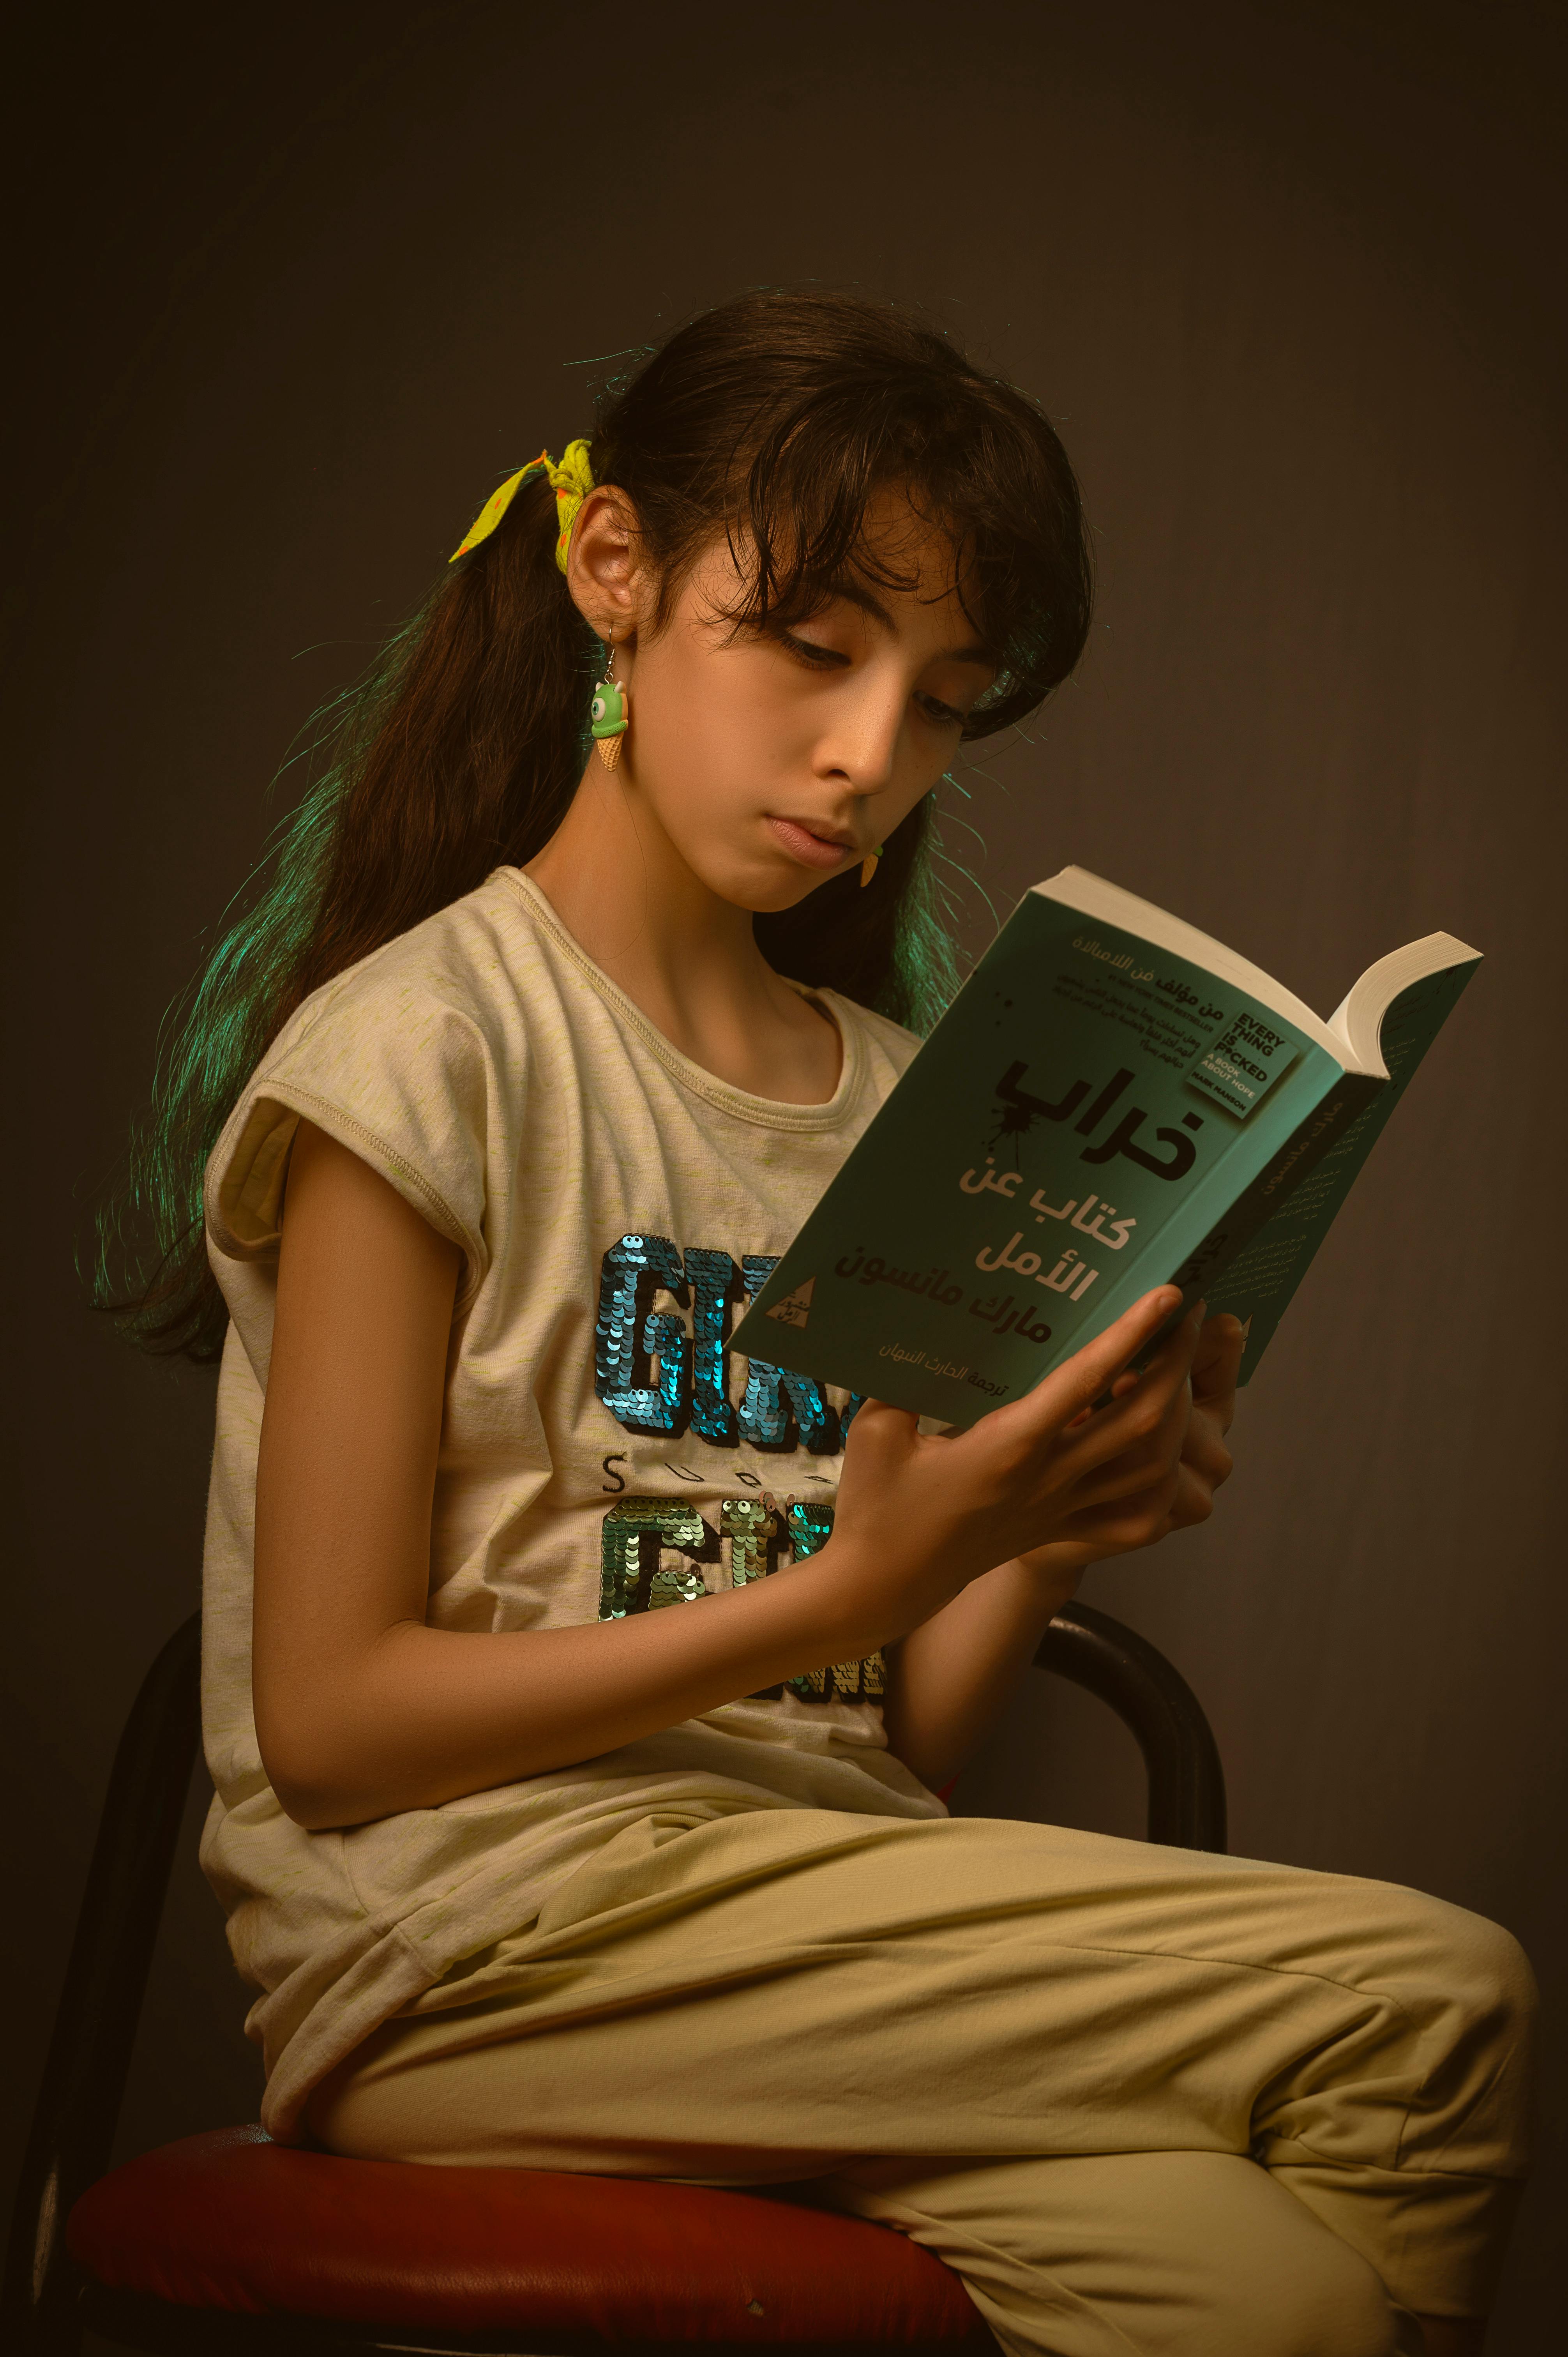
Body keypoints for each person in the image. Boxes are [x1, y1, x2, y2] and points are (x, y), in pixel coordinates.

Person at [109, 292, 1533, 2357]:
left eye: (944, 700)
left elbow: (891, 1733)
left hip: (811, 1944)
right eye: (808, 645)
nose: (870, 753)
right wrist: (849, 1582)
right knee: (1431, 1997)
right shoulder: (426, 1048)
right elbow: (323, 1721)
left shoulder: (892, 1100)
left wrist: (1034, 1516)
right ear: (618, 576)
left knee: (1277, 2300)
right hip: (482, 1946)